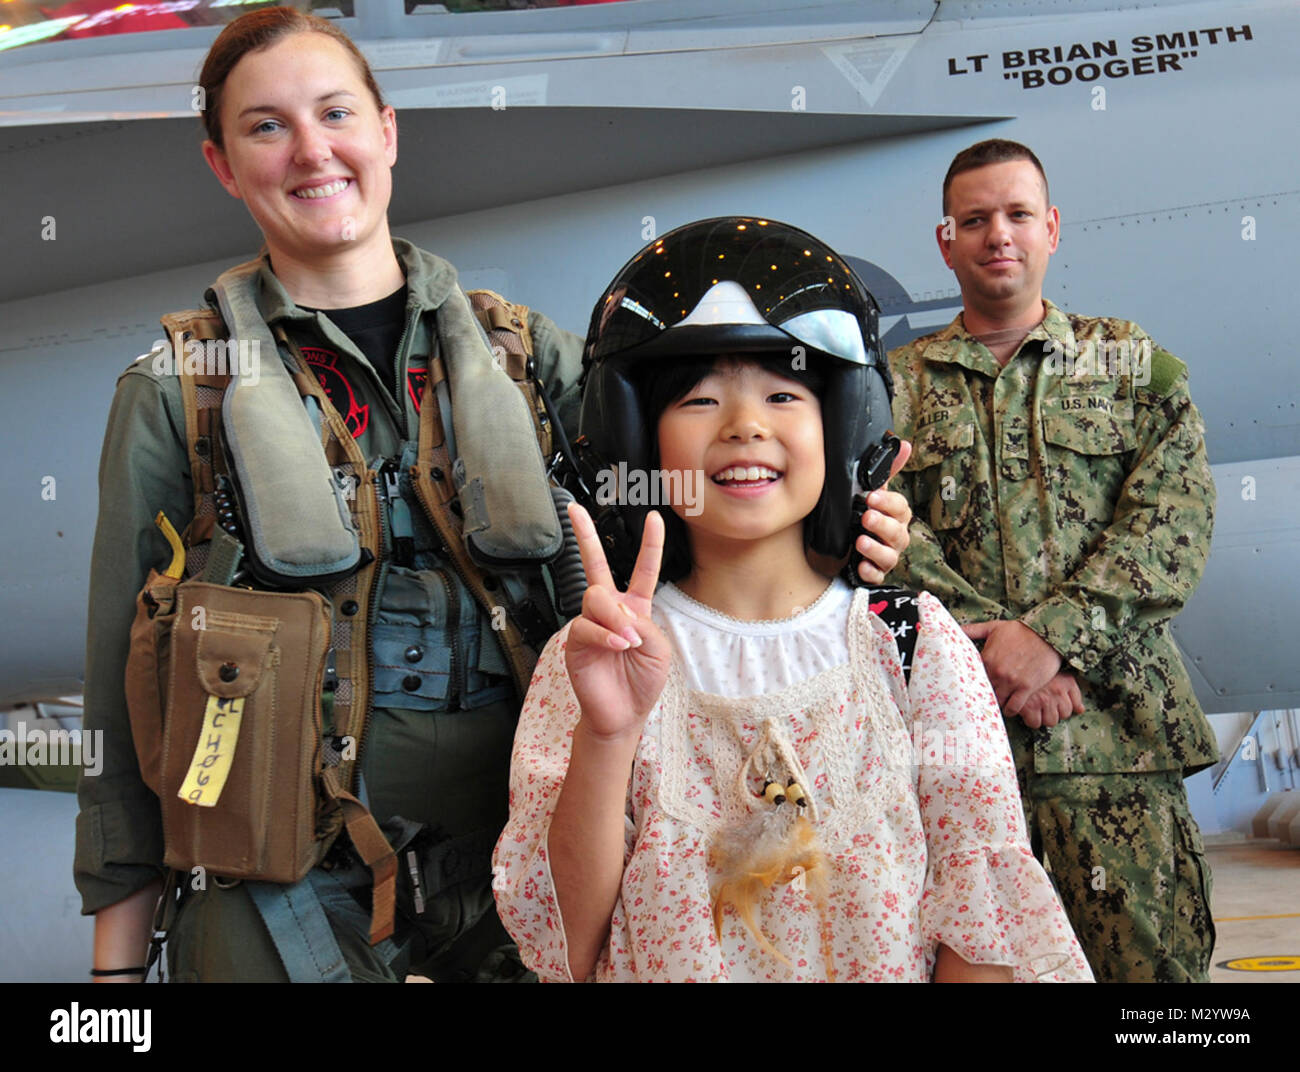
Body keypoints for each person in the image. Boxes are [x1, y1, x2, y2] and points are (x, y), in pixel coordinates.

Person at [74, 11, 915, 983]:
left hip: (524, 881)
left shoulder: (521, 355)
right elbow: (115, 680)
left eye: (335, 112)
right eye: (267, 126)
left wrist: (833, 534)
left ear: (386, 132)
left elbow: (690, 506)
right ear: (223, 163)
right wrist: (113, 980)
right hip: (277, 892)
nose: (312, 149)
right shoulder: (180, 387)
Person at [491, 217, 1093, 982]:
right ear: (641, 441)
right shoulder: (591, 665)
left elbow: (982, 930)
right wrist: (607, 738)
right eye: (699, 401)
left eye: (783, 393)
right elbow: (567, 947)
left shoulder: (913, 645)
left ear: (842, 424)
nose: (745, 426)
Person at [886, 139, 1219, 982]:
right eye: (975, 219)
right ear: (946, 240)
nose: (999, 234)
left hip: (1116, 752)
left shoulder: (1124, 360)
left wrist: (1053, 641)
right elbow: (873, 534)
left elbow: (1170, 523)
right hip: (953, 758)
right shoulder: (892, 388)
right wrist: (990, 651)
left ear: (1052, 228)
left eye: (1018, 214)